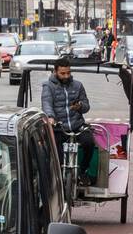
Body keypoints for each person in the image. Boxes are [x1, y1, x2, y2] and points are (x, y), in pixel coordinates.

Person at [42, 58, 98, 186]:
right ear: (55, 72)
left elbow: (86, 106)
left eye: (68, 73)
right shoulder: (48, 86)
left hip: (77, 125)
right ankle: (58, 174)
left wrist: (80, 106)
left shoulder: (78, 85)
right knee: (54, 148)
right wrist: (50, 117)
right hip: (59, 127)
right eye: (62, 73)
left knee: (89, 143)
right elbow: (46, 104)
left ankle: (83, 171)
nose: (66, 76)